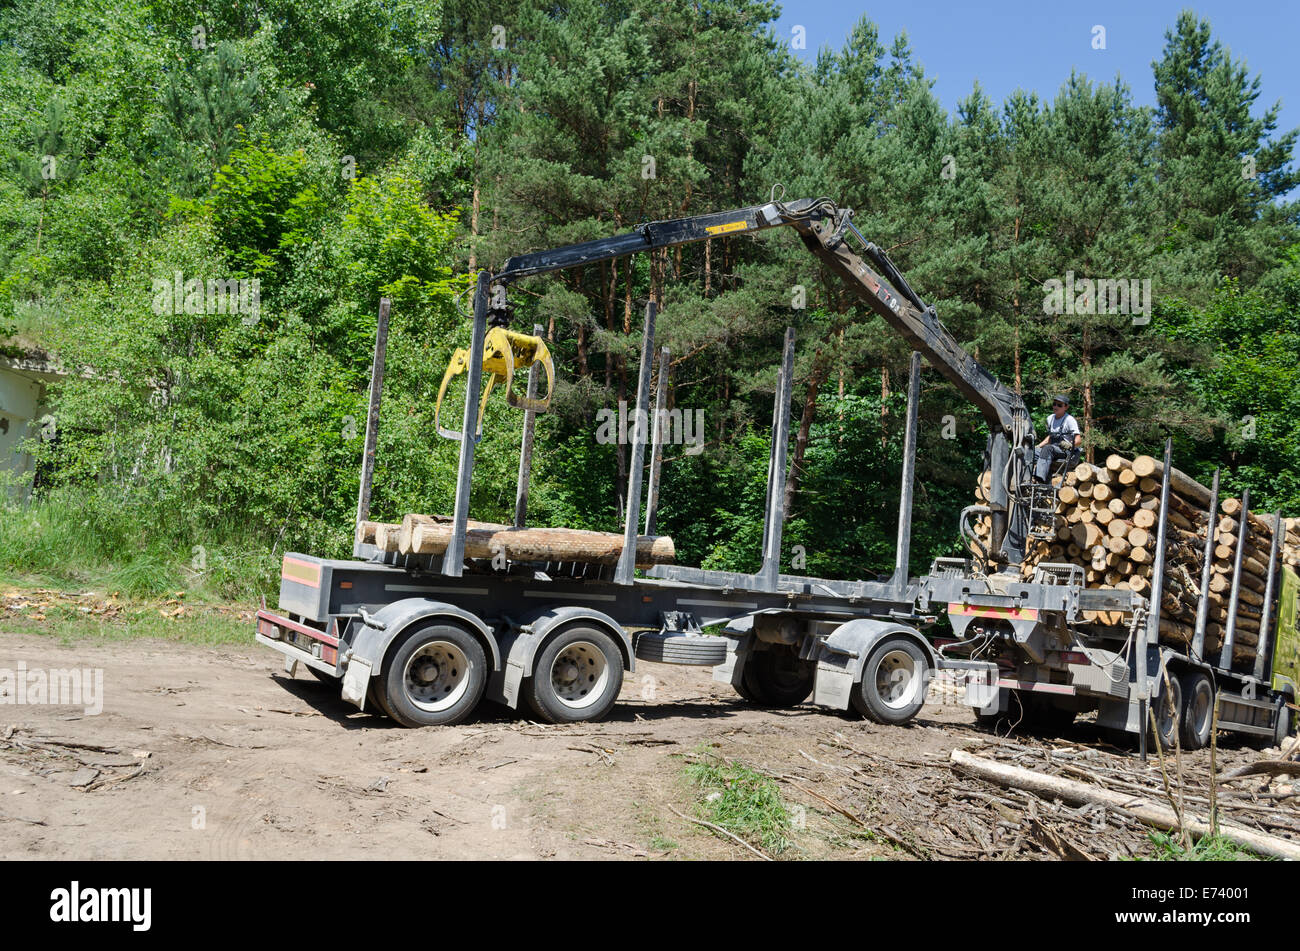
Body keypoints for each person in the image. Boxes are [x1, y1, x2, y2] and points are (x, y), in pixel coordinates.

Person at [1034, 395, 1081, 482]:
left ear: (1066, 407)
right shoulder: (1050, 418)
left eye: (1059, 405)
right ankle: (1030, 479)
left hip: (1068, 453)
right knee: (1031, 452)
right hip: (1053, 450)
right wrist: (1038, 446)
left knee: (1048, 448)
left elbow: (1078, 440)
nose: (1055, 407)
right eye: (1054, 404)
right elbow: (1050, 437)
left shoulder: (1069, 420)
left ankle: (1040, 479)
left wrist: (1070, 445)